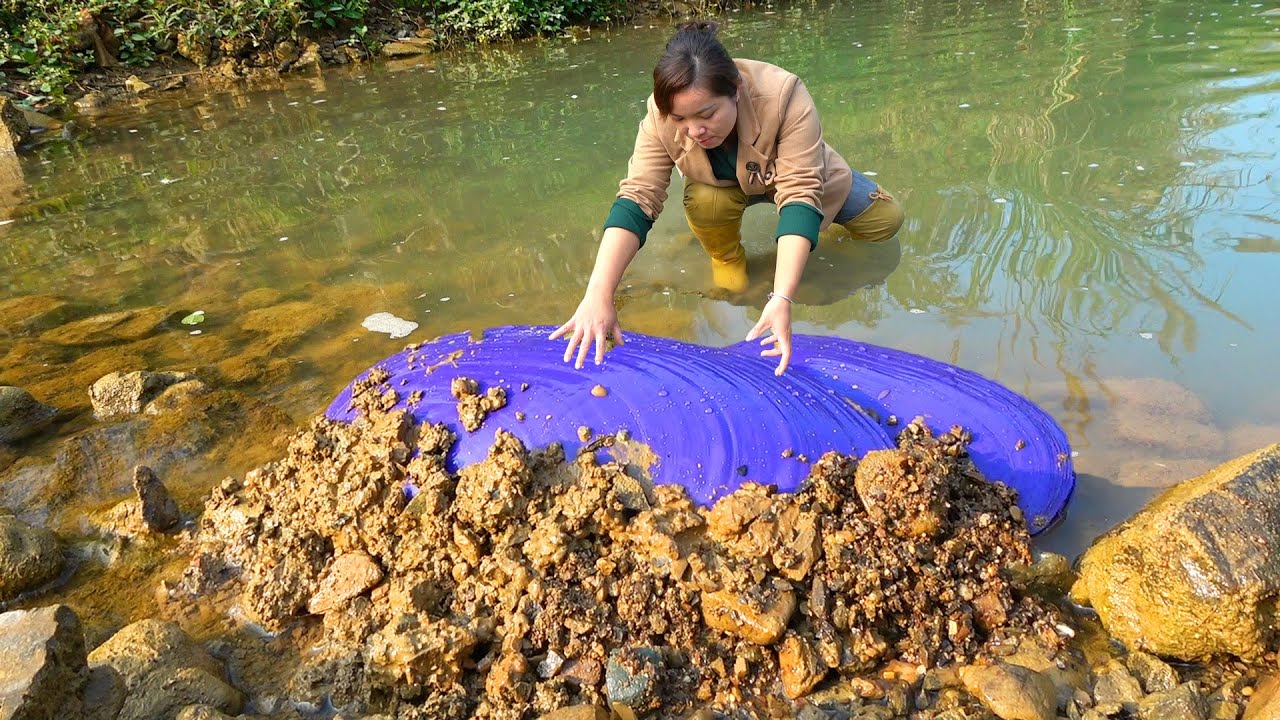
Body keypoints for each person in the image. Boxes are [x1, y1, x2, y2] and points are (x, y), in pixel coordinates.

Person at [551, 20, 904, 375]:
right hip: (720, 188)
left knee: (886, 221)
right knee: (710, 213)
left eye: (707, 115)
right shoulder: (659, 117)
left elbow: (801, 193)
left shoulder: (784, 93)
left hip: (791, 174)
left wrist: (781, 298)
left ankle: (802, 246)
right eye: (681, 119)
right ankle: (727, 257)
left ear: (735, 90)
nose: (694, 131)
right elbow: (637, 199)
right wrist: (598, 293)